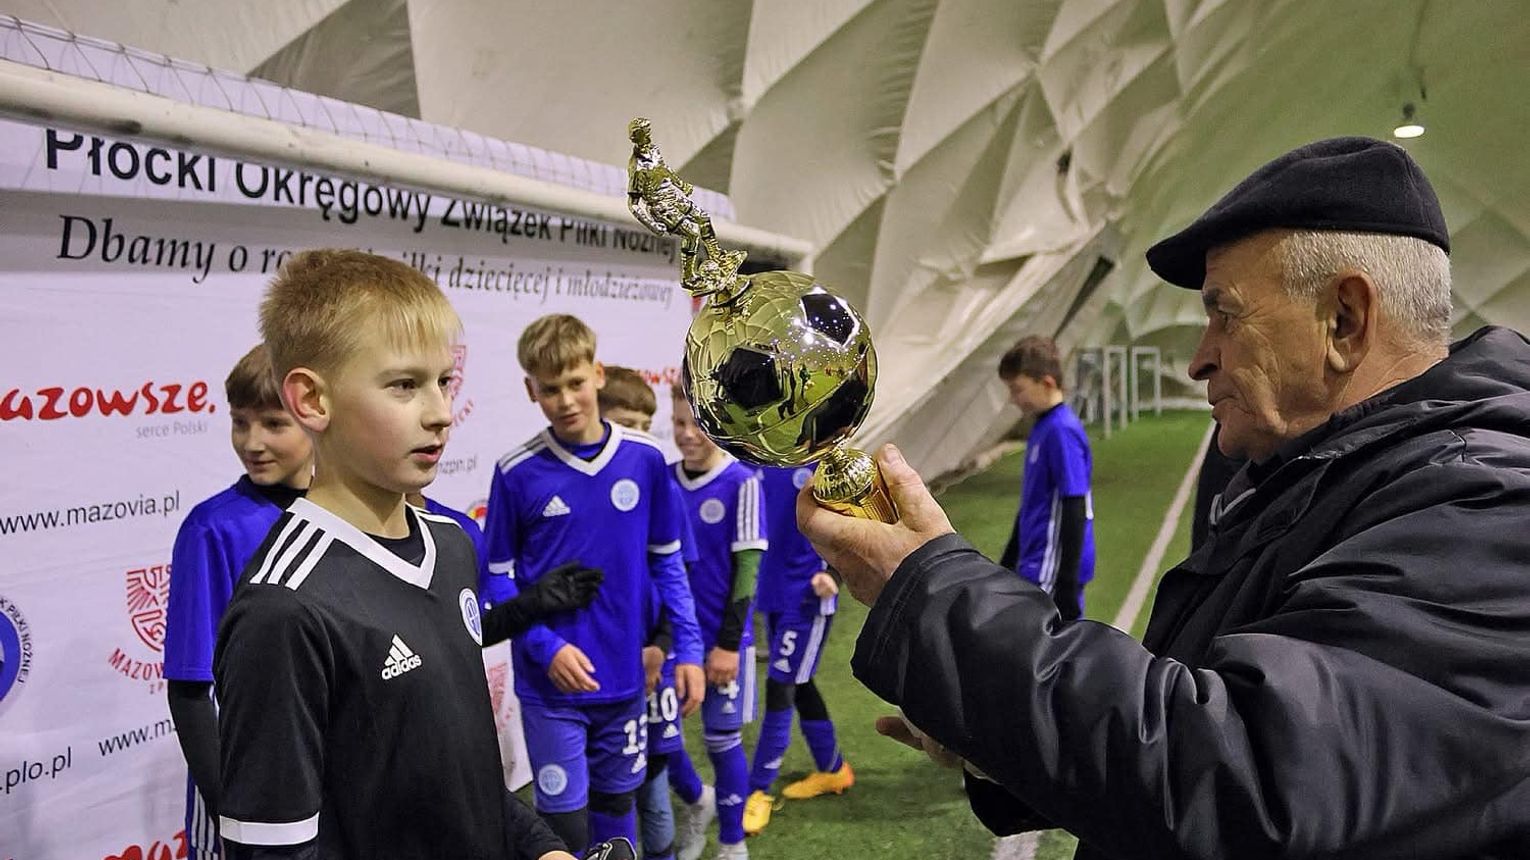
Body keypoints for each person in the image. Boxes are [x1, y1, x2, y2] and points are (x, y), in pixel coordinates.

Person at [798, 137, 1530, 859]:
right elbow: (1198, 703)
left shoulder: (1487, 512)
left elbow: (1248, 780)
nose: (1198, 357)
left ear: (1343, 320)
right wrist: (1000, 736)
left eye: (1226, 313)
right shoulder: (1323, 473)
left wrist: (933, 598)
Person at [213, 251, 592, 860]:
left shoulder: (451, 545)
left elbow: (466, 787)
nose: (441, 412)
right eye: (404, 385)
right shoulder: (284, 610)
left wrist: (544, 850)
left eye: (444, 381)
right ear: (311, 400)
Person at [485, 315, 705, 855]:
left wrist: (688, 650)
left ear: (598, 374)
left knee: (617, 815)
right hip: (549, 691)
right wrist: (546, 647)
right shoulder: (517, 472)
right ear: (530, 390)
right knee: (565, 831)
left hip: (625, 681)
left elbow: (669, 566)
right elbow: (495, 583)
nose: (565, 400)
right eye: (550, 389)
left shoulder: (646, 461)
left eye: (575, 383)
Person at [165, 343, 314, 860]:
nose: (252, 442)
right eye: (239, 422)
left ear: (316, 418)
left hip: (325, 787)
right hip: (242, 795)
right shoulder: (212, 529)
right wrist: (230, 812)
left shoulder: (347, 517)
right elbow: (190, 693)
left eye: (274, 423)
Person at [665, 386, 765, 860]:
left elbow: (747, 573)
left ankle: (732, 843)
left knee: (722, 741)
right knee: (662, 738)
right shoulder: (664, 482)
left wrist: (728, 645)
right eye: (679, 423)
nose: (687, 435)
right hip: (670, 644)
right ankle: (697, 802)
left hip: (723, 644)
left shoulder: (742, 482)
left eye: (697, 425)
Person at [599, 365, 691, 860]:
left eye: (642, 425)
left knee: (655, 771)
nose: (635, 436)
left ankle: (688, 820)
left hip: (651, 660)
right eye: (624, 423)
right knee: (607, 792)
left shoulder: (659, 490)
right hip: (598, 667)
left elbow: (676, 579)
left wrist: (661, 644)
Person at [741, 464, 851, 837]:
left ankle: (758, 790)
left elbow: (850, 520)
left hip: (806, 596)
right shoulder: (751, 460)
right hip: (771, 593)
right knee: (799, 683)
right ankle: (833, 769)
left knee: (780, 686)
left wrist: (834, 575)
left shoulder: (817, 462)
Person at [994, 336, 1095, 621]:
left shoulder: (1061, 431)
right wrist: (1010, 559)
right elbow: (1032, 503)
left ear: (1047, 383)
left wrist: (1066, 580)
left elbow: (1075, 505)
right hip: (1035, 563)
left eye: (1017, 389)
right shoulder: (1043, 427)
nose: (1013, 399)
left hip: (1050, 569)